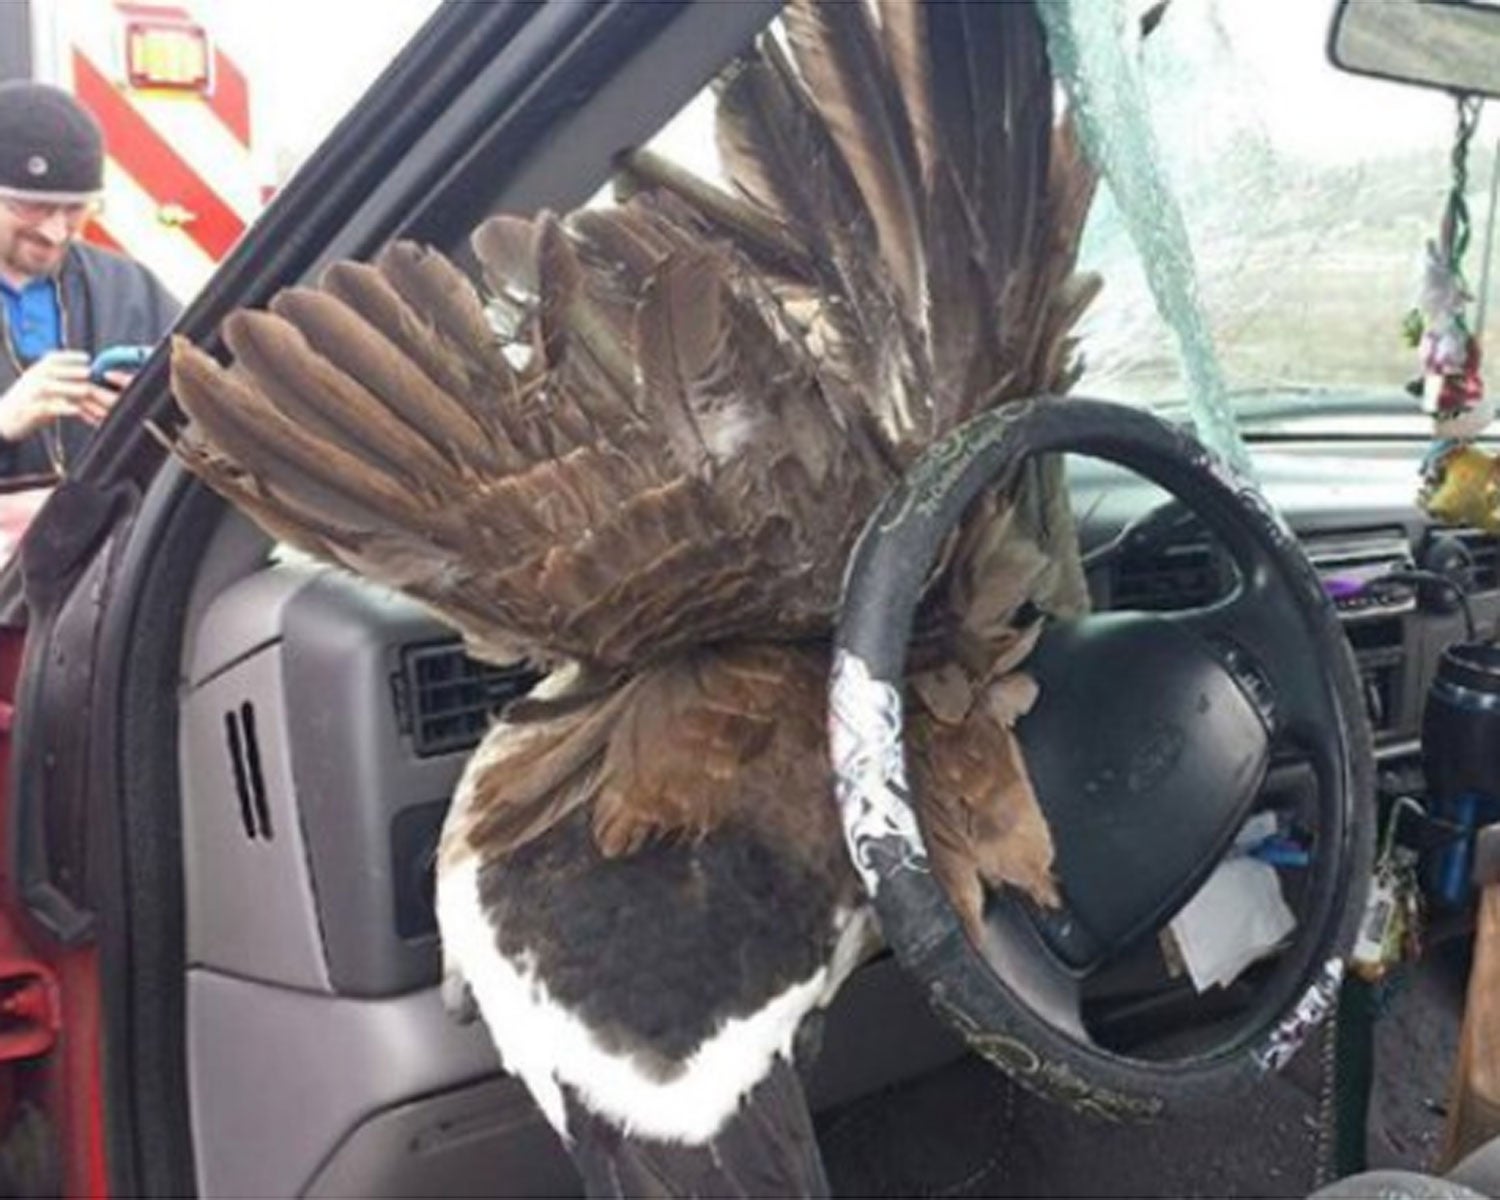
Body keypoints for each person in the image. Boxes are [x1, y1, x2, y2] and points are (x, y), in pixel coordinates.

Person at [0, 80, 178, 480]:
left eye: (76, 209)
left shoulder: (130, 287)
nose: (56, 232)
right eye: (32, 207)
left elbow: (209, 404)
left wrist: (150, 414)